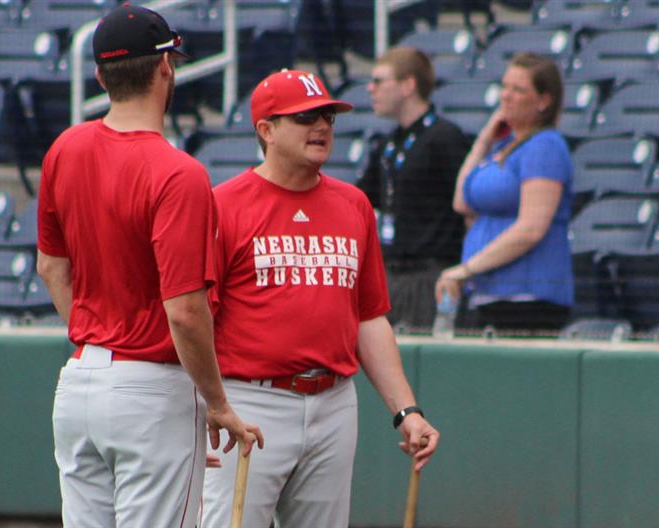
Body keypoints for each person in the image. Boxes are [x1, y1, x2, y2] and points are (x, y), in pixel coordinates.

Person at [35, 5, 262, 526]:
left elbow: (51, 267)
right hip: (151, 386)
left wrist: (99, 338)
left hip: (79, 382)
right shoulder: (177, 172)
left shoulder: (65, 147)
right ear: (166, 68)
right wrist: (217, 403)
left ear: (99, 75)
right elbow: (184, 310)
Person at [201, 69, 440, 527]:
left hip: (333, 400)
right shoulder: (222, 205)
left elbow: (368, 319)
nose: (322, 126)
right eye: (305, 116)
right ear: (265, 130)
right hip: (249, 401)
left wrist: (406, 411)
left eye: (328, 115)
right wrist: (205, 408)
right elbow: (193, 317)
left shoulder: (353, 205)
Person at [434, 52, 574, 333]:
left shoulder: (545, 145)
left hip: (528, 298)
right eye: (505, 86)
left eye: (518, 89)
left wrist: (467, 269)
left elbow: (531, 228)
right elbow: (461, 202)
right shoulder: (504, 146)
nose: (505, 96)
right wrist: (484, 140)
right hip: (489, 294)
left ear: (544, 101)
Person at [358, 46, 470, 330]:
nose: (371, 89)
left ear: (408, 85)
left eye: (380, 81)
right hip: (392, 274)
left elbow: (467, 206)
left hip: (431, 276)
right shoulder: (387, 144)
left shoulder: (445, 138)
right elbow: (360, 197)